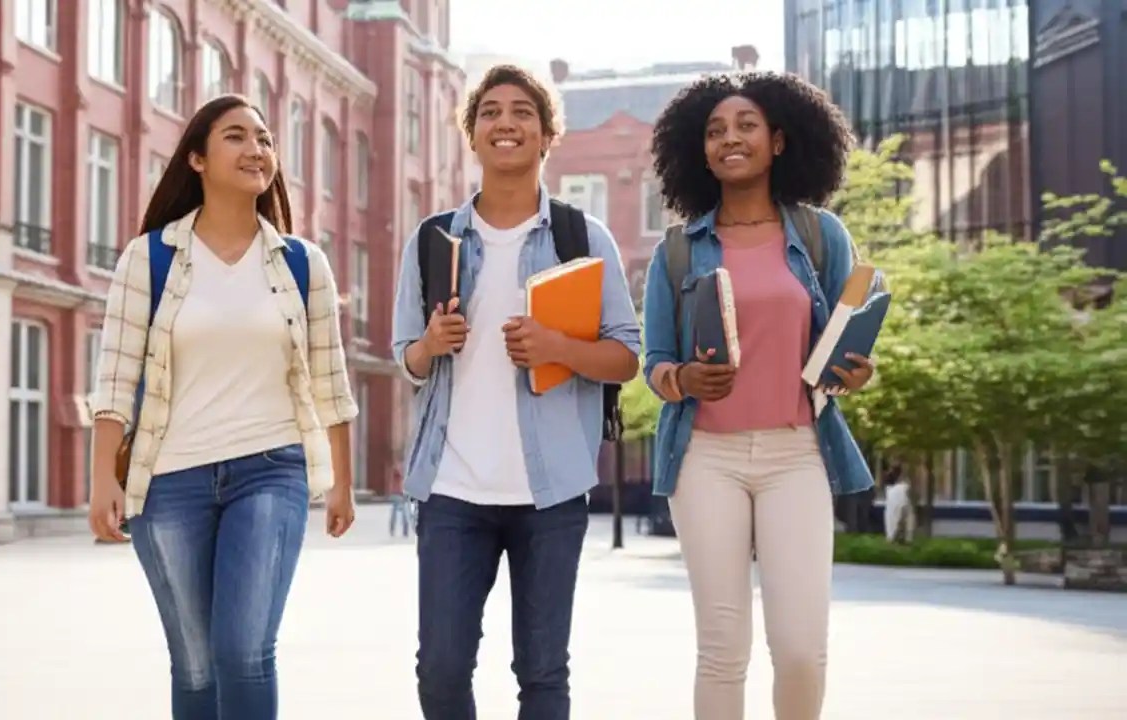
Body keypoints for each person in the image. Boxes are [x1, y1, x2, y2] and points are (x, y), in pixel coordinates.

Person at [87, 94, 358, 720]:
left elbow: (330, 379)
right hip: (169, 480)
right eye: (236, 137)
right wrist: (103, 475)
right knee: (196, 663)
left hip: (271, 470)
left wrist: (341, 483)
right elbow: (116, 374)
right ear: (198, 159)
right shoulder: (148, 257)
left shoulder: (300, 263)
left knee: (244, 651)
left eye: (264, 139)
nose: (257, 149)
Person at [390, 64, 641, 720]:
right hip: (452, 490)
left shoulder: (583, 239)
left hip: (551, 491)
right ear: (471, 136)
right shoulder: (431, 241)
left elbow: (626, 359)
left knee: (543, 673)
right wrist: (430, 345)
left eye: (523, 111)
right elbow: (405, 360)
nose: (506, 122)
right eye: (491, 111)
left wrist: (559, 349)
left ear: (546, 134)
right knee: (441, 671)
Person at [642, 71, 877, 720]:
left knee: (801, 646)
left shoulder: (821, 234)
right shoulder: (676, 251)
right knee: (722, 648)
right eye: (715, 130)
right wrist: (682, 380)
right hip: (705, 458)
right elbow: (653, 361)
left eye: (746, 126)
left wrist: (856, 370)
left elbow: (841, 345)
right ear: (701, 151)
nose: (729, 138)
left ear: (779, 141)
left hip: (796, 451)